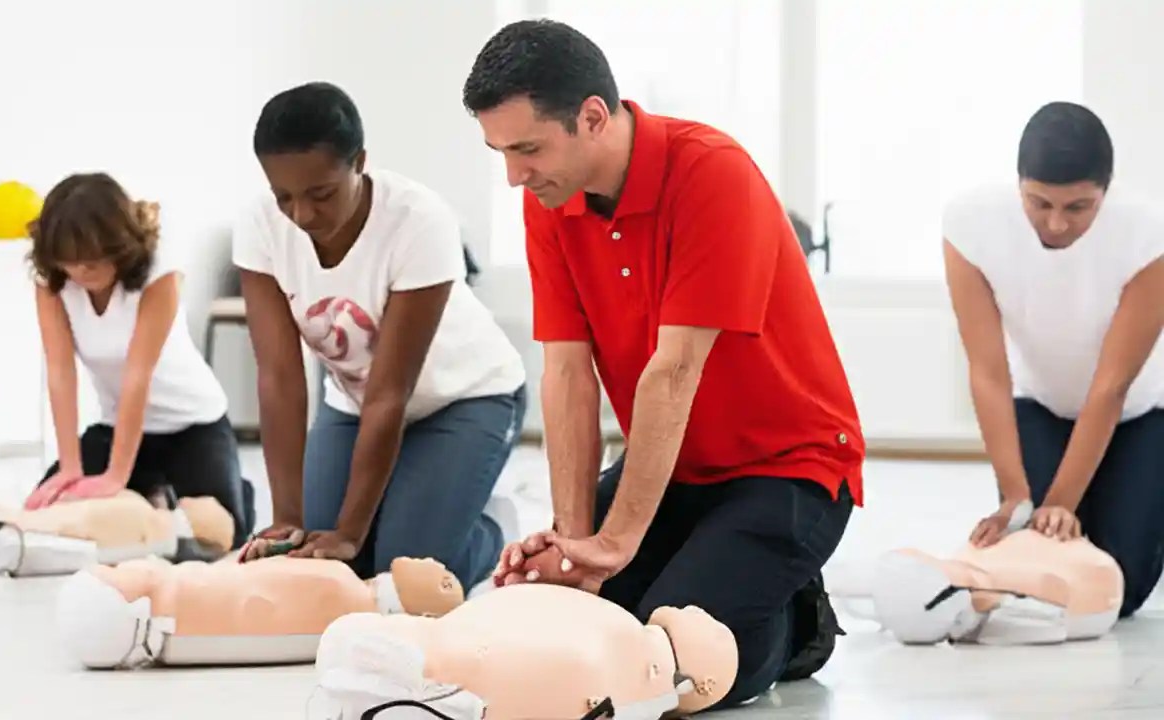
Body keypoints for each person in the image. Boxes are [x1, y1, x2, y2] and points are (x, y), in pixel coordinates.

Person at [463, 19, 865, 708]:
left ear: (592, 117)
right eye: (501, 152)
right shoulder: (549, 200)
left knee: (664, 656)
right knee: (556, 617)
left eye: (527, 149)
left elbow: (675, 370)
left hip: (789, 471)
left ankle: (798, 621)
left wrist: (616, 540)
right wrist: (574, 542)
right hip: (675, 468)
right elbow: (566, 376)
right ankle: (727, 578)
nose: (514, 176)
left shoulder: (711, 172)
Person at [232, 82, 527, 591]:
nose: (302, 216)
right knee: (322, 563)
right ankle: (410, 516)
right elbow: (279, 377)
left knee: (400, 574)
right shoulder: (260, 225)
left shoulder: (418, 221)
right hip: (351, 405)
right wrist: (287, 519)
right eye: (285, 196)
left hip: (466, 398)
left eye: (321, 194)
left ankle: (491, 533)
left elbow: (391, 393)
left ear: (359, 162)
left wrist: (349, 530)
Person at [942, 101, 1164, 618]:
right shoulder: (969, 224)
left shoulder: (1149, 234)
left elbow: (1111, 384)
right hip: (1038, 403)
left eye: (1077, 208)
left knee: (1117, 590)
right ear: (1018, 184)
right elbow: (988, 370)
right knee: (1038, 558)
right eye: (1039, 203)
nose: (1057, 223)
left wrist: (1061, 502)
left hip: (1140, 415)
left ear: (1104, 194)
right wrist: (1019, 497)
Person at [24, 172, 252, 548]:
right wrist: (70, 466)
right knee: (50, 511)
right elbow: (60, 371)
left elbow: (137, 374)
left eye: (93, 262)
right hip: (120, 428)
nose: (81, 273)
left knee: (221, 536)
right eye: (71, 263)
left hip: (192, 425)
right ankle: (149, 492)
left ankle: (226, 489)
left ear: (120, 247)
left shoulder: (160, 275)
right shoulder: (52, 281)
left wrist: (115, 475)